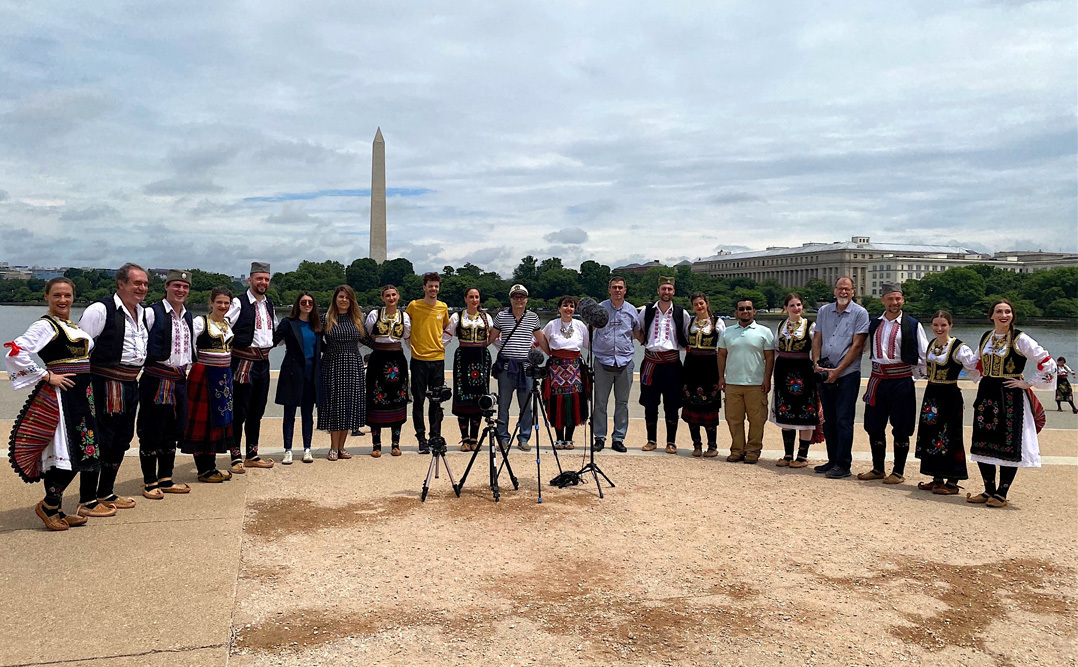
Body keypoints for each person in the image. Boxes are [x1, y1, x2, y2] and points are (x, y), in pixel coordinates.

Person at [4, 278, 99, 530]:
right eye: (57, 295)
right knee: (69, 451)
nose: (63, 300)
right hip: (62, 396)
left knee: (84, 449)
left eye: (67, 295)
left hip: (81, 396)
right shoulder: (45, 326)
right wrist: (46, 375)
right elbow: (15, 351)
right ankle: (49, 505)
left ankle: (56, 508)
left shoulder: (69, 325)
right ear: (47, 297)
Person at [967, 298, 1056, 508]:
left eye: (1008, 311)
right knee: (982, 441)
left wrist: (1028, 383)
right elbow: (974, 363)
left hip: (1009, 395)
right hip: (986, 394)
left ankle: (1002, 492)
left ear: (1012, 315)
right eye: (999, 311)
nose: (1004, 315)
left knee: (1008, 442)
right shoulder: (986, 337)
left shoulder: (1020, 338)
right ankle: (988, 489)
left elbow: (1046, 361)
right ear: (991, 315)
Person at [78, 262, 149, 515]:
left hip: (130, 382)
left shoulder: (143, 313)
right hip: (105, 383)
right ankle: (87, 500)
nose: (142, 288)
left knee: (121, 440)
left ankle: (106, 492)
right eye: (136, 283)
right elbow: (79, 350)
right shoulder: (100, 310)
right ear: (121, 284)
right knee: (101, 440)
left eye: (145, 284)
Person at [857, 284, 928, 485]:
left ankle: (898, 471)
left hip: (901, 381)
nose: (894, 302)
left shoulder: (912, 324)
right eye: (890, 299)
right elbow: (863, 348)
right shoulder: (874, 324)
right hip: (878, 380)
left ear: (903, 300)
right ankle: (878, 468)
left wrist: (916, 376)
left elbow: (923, 354)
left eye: (898, 299)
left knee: (902, 427)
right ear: (883, 301)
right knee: (874, 425)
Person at [136, 269, 195, 499]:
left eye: (185, 287)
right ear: (166, 287)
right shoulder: (152, 313)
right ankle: (150, 481)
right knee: (152, 429)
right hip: (156, 379)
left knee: (174, 428)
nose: (181, 290)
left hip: (178, 379)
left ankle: (166, 478)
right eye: (176, 285)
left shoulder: (188, 316)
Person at [914, 310, 979, 495]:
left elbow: (973, 368)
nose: (939, 328)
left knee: (950, 435)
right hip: (931, 395)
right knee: (930, 434)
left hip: (949, 395)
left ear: (950, 325)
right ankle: (936, 477)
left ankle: (952, 481)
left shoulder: (959, 348)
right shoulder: (931, 345)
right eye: (936, 325)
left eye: (943, 325)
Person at [812, 276, 870, 479]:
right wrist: (816, 363)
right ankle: (832, 460)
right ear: (834, 290)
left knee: (844, 419)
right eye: (840, 288)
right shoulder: (824, 311)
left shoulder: (860, 313)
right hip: (824, 371)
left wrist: (838, 370)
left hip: (847, 374)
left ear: (853, 291)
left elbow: (857, 345)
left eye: (847, 289)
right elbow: (817, 338)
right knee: (829, 419)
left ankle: (843, 464)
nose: (843, 292)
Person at [225, 262, 276, 471]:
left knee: (257, 410)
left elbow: (275, 331)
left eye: (266, 279)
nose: (263, 282)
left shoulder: (269, 304)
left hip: (263, 362)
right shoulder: (239, 302)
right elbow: (224, 326)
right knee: (239, 410)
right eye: (259, 279)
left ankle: (252, 454)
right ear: (250, 280)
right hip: (244, 361)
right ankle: (235, 456)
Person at [182, 286, 236, 483]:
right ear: (211, 302)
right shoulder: (200, 322)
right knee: (203, 423)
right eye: (219, 302)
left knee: (217, 422)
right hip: (205, 374)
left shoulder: (227, 323)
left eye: (226, 303)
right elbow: (189, 346)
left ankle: (211, 467)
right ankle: (203, 469)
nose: (223, 306)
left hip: (224, 376)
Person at [718, 298, 775, 464]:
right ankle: (737, 449)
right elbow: (721, 355)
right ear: (736, 312)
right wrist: (721, 377)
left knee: (757, 420)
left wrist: (767, 378)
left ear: (754, 311)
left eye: (748, 308)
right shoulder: (727, 332)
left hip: (756, 384)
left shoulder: (764, 332)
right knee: (733, 419)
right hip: (732, 383)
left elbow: (770, 357)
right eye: (741, 309)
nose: (745, 311)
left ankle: (753, 450)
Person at [636, 276, 688, 453]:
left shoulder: (681, 313)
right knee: (650, 404)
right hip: (651, 363)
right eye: (663, 289)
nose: (666, 292)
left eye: (669, 289)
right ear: (658, 291)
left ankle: (671, 442)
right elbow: (639, 331)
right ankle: (651, 440)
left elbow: (686, 336)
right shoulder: (647, 311)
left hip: (672, 364)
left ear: (674, 291)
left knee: (672, 404)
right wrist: (647, 344)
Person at [770, 292, 820, 468]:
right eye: (792, 305)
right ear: (785, 308)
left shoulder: (810, 326)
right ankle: (788, 454)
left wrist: (817, 367)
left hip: (803, 372)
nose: (796, 308)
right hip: (783, 372)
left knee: (805, 411)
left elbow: (817, 349)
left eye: (798, 305)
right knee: (786, 410)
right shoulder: (781, 326)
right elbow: (776, 349)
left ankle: (802, 455)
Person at [491, 284, 543, 451]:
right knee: (503, 404)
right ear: (511, 299)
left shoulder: (533, 318)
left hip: (525, 368)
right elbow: (491, 337)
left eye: (522, 297)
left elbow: (541, 339)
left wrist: (551, 354)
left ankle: (524, 437)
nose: (519, 300)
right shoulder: (501, 317)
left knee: (526, 405)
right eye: (516, 297)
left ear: (526, 299)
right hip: (506, 368)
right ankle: (503, 437)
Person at [319, 284, 367, 460]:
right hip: (332, 364)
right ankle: (333, 446)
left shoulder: (357, 320)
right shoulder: (326, 319)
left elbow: (368, 340)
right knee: (335, 405)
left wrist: (390, 348)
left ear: (351, 300)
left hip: (353, 364)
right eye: (341, 297)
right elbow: (316, 341)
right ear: (335, 299)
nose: (344, 300)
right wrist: (328, 350)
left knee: (348, 405)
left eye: (347, 297)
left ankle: (341, 447)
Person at [536, 296, 591, 449]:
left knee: (573, 402)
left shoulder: (580, 325)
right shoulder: (551, 325)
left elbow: (588, 345)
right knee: (557, 402)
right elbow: (540, 342)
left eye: (571, 306)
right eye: (565, 306)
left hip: (575, 368)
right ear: (559, 308)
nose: (568, 309)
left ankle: (569, 439)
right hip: (556, 368)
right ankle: (559, 439)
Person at [274, 291, 322, 465]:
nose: (307, 305)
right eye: (303, 302)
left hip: (311, 372)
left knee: (307, 414)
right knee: (289, 414)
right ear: (298, 304)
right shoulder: (288, 323)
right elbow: (273, 340)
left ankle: (307, 448)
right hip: (292, 372)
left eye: (310, 302)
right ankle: (288, 450)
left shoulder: (317, 325)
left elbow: (323, 347)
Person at [590, 276, 637, 453]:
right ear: (609, 289)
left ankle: (618, 438)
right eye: (614, 287)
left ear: (625, 290)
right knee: (600, 403)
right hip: (603, 361)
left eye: (620, 287)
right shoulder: (600, 309)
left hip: (625, 362)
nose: (617, 290)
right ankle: (599, 437)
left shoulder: (632, 310)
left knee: (622, 403)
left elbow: (637, 332)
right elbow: (590, 330)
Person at [445, 287, 495, 452]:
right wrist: (434, 350)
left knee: (480, 395)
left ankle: (474, 438)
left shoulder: (486, 317)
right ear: (465, 299)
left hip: (481, 357)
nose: (474, 300)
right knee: (462, 393)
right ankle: (465, 438)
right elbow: (446, 337)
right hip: (463, 358)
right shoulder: (457, 317)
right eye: (471, 297)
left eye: (477, 297)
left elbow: (495, 337)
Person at [405, 272, 449, 454]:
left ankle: (435, 436)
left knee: (436, 401)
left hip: (438, 359)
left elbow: (445, 328)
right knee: (419, 401)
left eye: (436, 286)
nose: (433, 289)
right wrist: (410, 343)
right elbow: (405, 326)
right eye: (430, 286)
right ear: (424, 287)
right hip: (419, 359)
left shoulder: (443, 307)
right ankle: (421, 437)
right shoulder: (414, 306)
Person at [366, 285, 411, 458]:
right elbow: (368, 333)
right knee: (375, 397)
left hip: (397, 358)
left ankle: (395, 443)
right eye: (387, 295)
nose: (391, 298)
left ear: (398, 296)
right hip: (378, 358)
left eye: (393, 295)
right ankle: (376, 444)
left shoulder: (404, 316)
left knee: (397, 397)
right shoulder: (374, 315)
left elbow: (407, 337)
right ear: (382, 298)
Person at [680, 292, 725, 457]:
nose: (699, 307)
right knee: (691, 403)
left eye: (701, 303)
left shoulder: (718, 323)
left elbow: (722, 348)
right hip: (691, 365)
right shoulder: (690, 322)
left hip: (710, 366)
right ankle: (697, 444)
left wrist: (722, 374)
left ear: (707, 303)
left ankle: (712, 445)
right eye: (695, 304)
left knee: (709, 405)